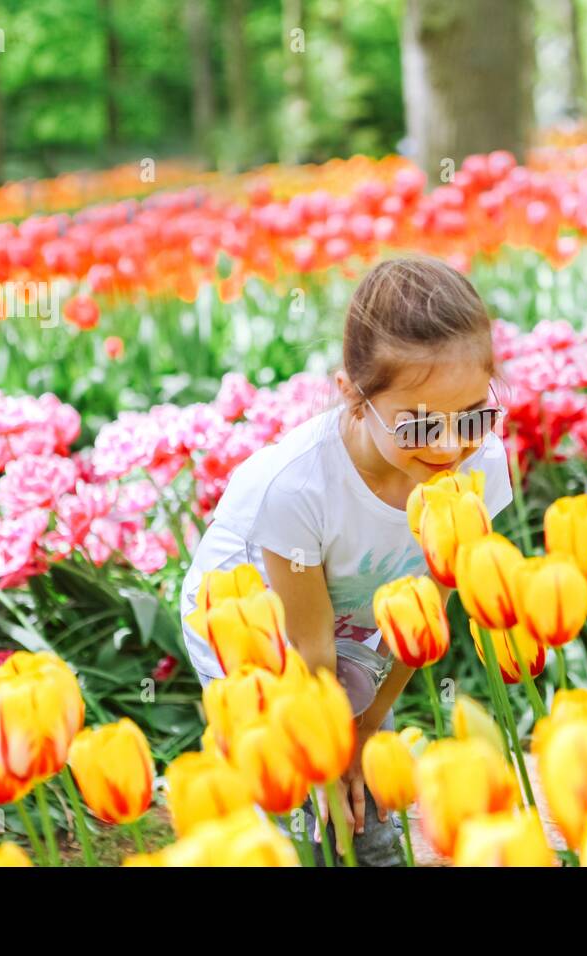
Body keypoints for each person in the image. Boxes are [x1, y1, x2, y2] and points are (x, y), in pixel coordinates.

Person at [180, 255, 513, 865]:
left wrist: (365, 730)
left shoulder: (479, 461)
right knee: (297, 789)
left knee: (363, 796)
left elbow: (421, 628)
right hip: (254, 625)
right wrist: (333, 747)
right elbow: (310, 654)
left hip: (360, 619)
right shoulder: (299, 487)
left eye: (472, 415)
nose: (448, 446)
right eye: (417, 426)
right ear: (354, 399)